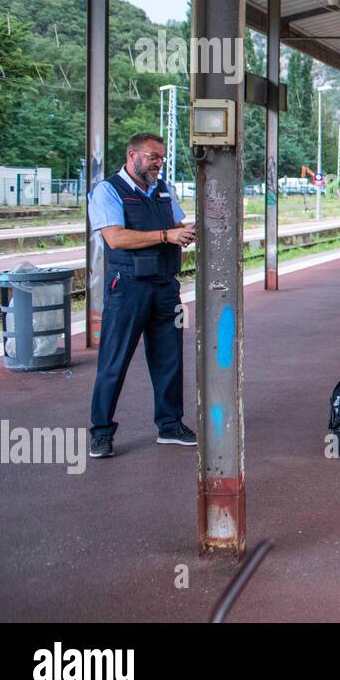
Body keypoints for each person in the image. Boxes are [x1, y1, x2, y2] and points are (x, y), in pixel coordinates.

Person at [87, 133, 197, 458]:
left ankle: (170, 425)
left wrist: (190, 230)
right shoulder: (107, 191)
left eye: (161, 158)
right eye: (152, 156)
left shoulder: (163, 190)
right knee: (114, 360)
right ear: (132, 154)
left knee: (169, 358)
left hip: (165, 287)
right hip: (128, 287)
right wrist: (167, 235)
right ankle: (101, 432)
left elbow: (178, 223)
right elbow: (116, 238)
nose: (158, 163)